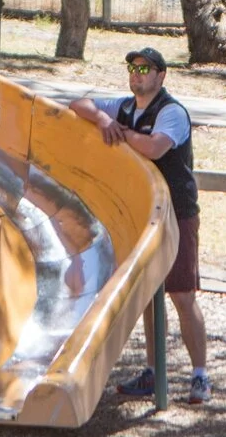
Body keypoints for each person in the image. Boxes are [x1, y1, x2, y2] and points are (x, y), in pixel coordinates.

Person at [70, 47, 208, 404]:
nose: (137, 74)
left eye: (146, 69)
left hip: (176, 213)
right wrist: (103, 121)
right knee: (149, 295)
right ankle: (153, 372)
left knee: (182, 295)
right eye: (133, 68)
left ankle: (199, 376)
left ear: (161, 76)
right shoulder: (125, 108)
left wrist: (122, 135)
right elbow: (78, 104)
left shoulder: (171, 112)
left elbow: (155, 147)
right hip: (142, 213)